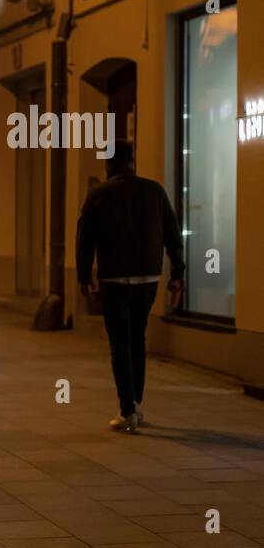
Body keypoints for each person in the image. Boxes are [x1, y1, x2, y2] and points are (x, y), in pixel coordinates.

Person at [76, 139, 185, 433]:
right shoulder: (154, 191)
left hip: (113, 279)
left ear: (109, 163)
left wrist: (84, 276)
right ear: (131, 161)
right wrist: (177, 273)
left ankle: (127, 410)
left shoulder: (99, 195)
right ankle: (136, 403)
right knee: (138, 340)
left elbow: (85, 236)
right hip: (148, 278)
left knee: (119, 344)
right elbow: (173, 235)